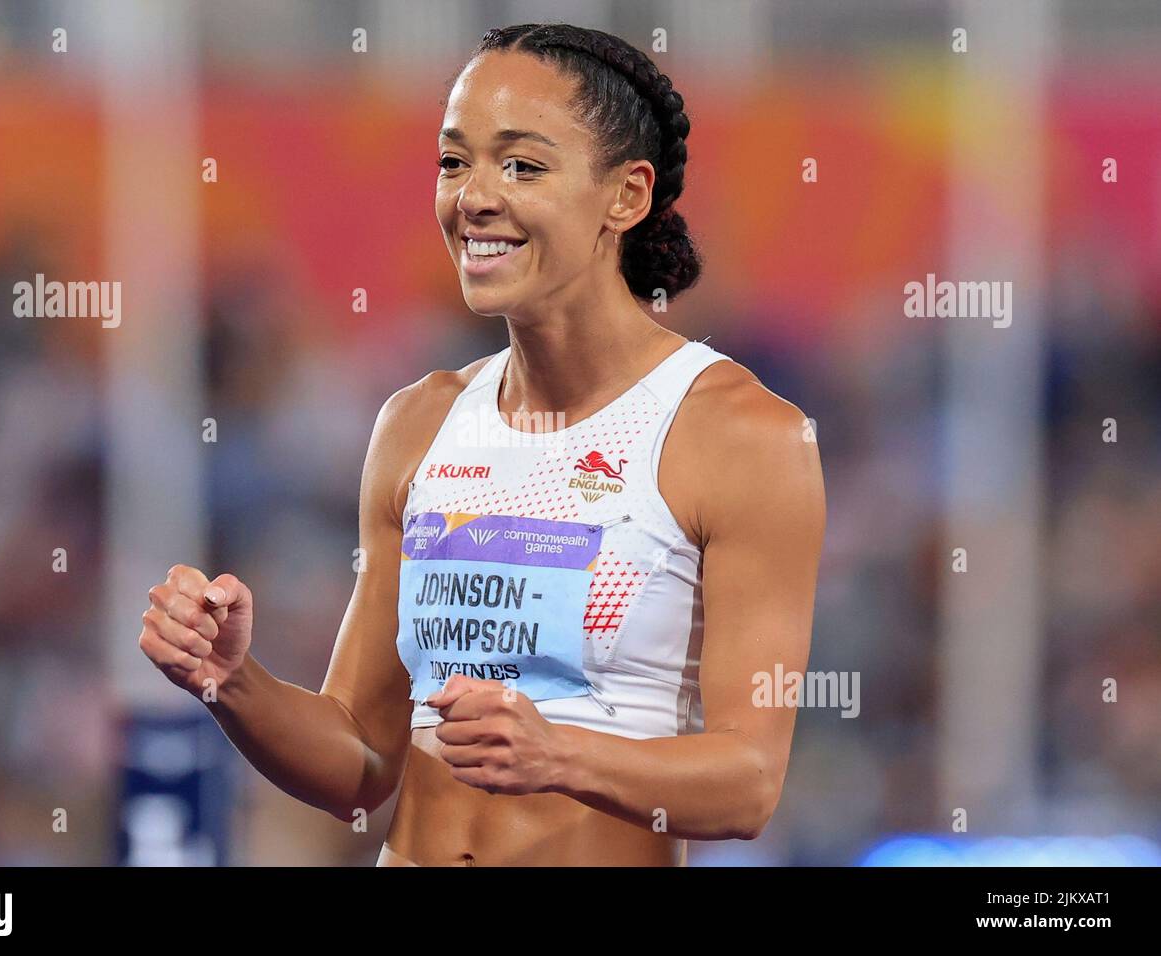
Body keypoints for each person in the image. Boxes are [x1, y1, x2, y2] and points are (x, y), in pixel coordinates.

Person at [137, 23, 825, 866]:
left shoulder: (743, 436)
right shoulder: (419, 423)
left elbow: (749, 781)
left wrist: (558, 753)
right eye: (455, 161)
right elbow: (358, 758)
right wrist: (231, 680)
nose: (474, 196)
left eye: (523, 166)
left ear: (627, 195)